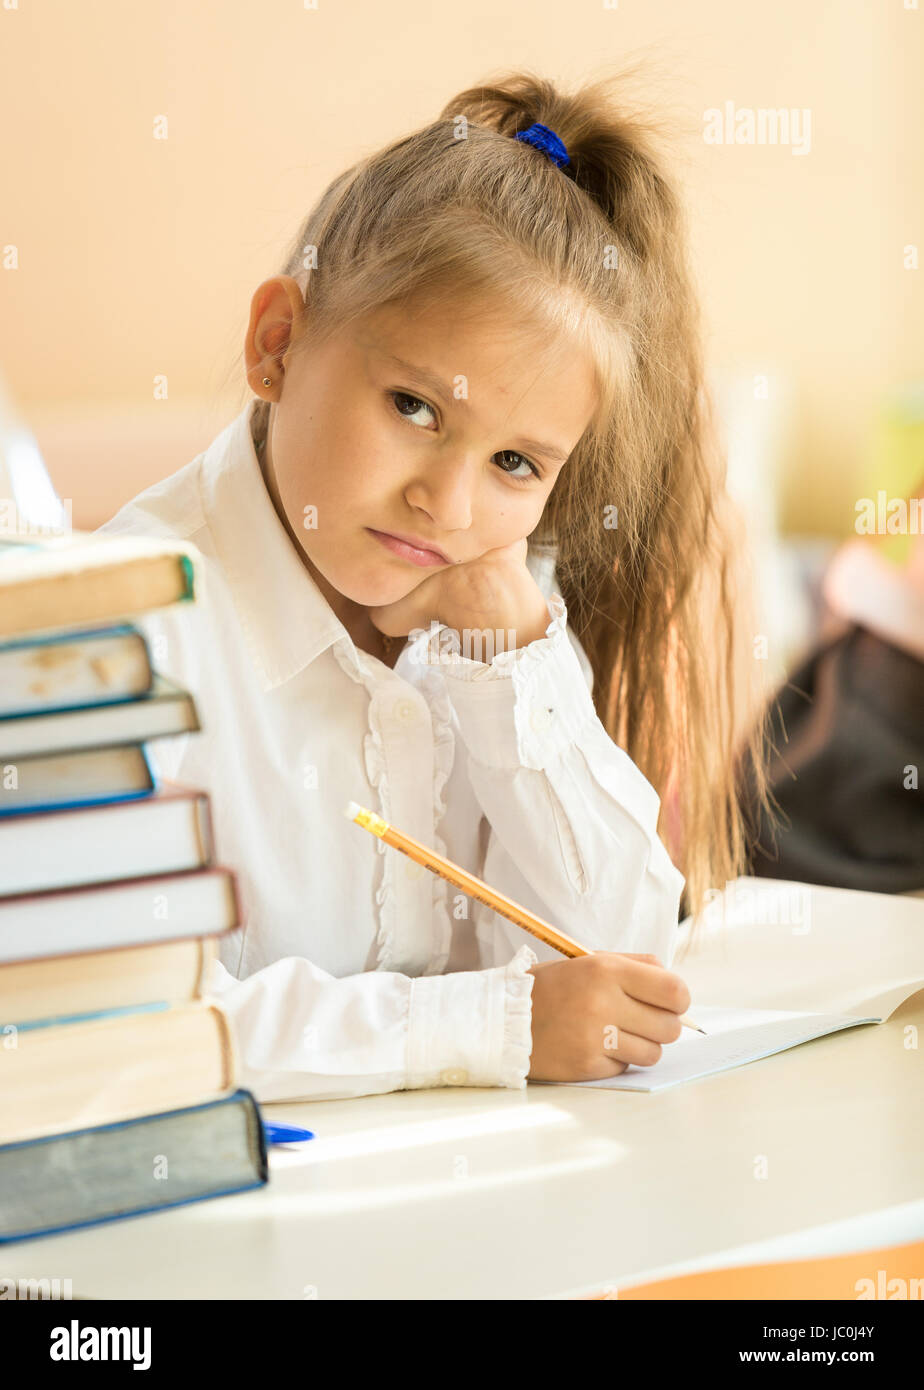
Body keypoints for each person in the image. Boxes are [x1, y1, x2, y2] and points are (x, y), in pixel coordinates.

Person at [99, 70, 767, 1100]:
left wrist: (515, 658)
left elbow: (625, 955)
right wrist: (491, 1025)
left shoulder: (494, 608)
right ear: (278, 344)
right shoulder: (129, 633)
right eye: (414, 406)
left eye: (516, 465)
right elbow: (126, 1027)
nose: (448, 508)